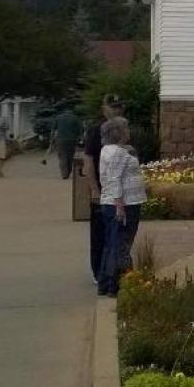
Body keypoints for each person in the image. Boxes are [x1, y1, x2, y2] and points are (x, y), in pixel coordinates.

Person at [96, 115, 147, 297]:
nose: (129, 131)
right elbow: (114, 177)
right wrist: (119, 205)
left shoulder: (109, 150)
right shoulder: (118, 152)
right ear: (118, 133)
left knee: (112, 243)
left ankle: (105, 282)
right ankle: (118, 284)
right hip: (124, 204)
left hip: (114, 202)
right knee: (121, 244)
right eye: (126, 129)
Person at [83, 95, 124, 282]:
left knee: (117, 232)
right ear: (104, 109)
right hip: (102, 188)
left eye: (118, 107)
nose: (116, 110)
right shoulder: (96, 130)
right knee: (99, 232)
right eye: (112, 107)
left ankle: (114, 269)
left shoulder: (122, 129)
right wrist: (93, 189)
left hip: (120, 190)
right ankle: (98, 271)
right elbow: (89, 160)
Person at [48, 104, 81, 180]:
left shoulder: (58, 118)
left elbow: (53, 129)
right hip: (72, 140)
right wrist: (80, 139)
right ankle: (68, 171)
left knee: (62, 156)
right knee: (70, 156)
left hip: (60, 140)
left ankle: (64, 173)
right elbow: (80, 129)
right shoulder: (75, 118)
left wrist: (51, 139)